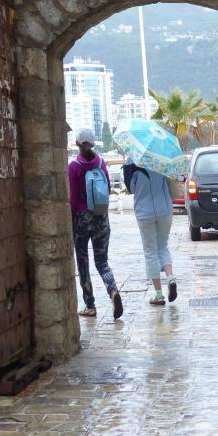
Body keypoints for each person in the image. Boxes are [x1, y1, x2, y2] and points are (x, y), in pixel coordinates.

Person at [68, 130, 123, 319]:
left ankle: (90, 305)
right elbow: (108, 188)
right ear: (92, 144)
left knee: (83, 263)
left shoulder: (74, 167)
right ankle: (113, 291)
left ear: (77, 144)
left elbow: (73, 199)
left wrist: (71, 221)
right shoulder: (100, 163)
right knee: (102, 261)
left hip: (82, 219)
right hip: (101, 217)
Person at [123, 159, 177, 306]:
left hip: (144, 212)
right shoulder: (161, 157)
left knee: (150, 251)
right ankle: (170, 278)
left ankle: (159, 295)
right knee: (163, 247)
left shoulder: (132, 161)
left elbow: (131, 189)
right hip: (164, 209)